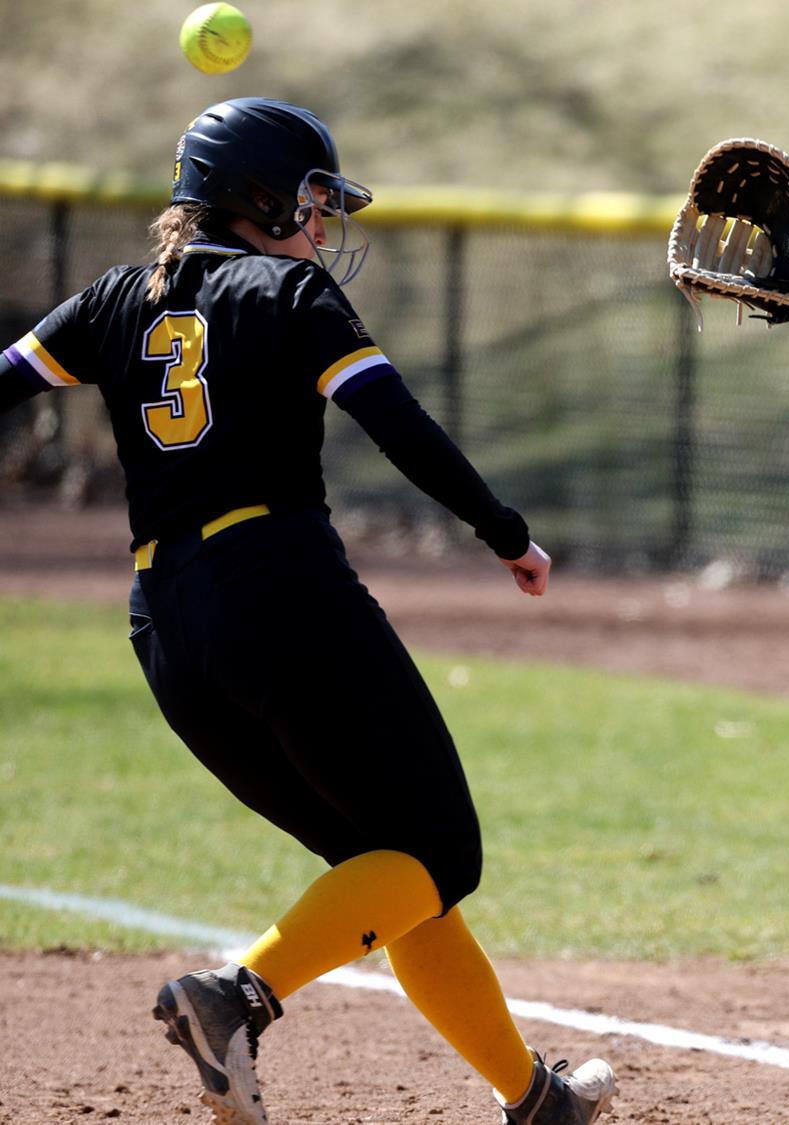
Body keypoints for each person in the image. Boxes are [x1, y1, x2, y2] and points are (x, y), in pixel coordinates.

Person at [0, 98, 614, 1125]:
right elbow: (396, 422)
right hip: (276, 587)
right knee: (438, 853)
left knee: (387, 867)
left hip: (163, 623)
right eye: (314, 198)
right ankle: (234, 999)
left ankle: (534, 1098)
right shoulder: (287, 289)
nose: (322, 223)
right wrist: (504, 532)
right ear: (257, 192)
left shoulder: (113, 297)